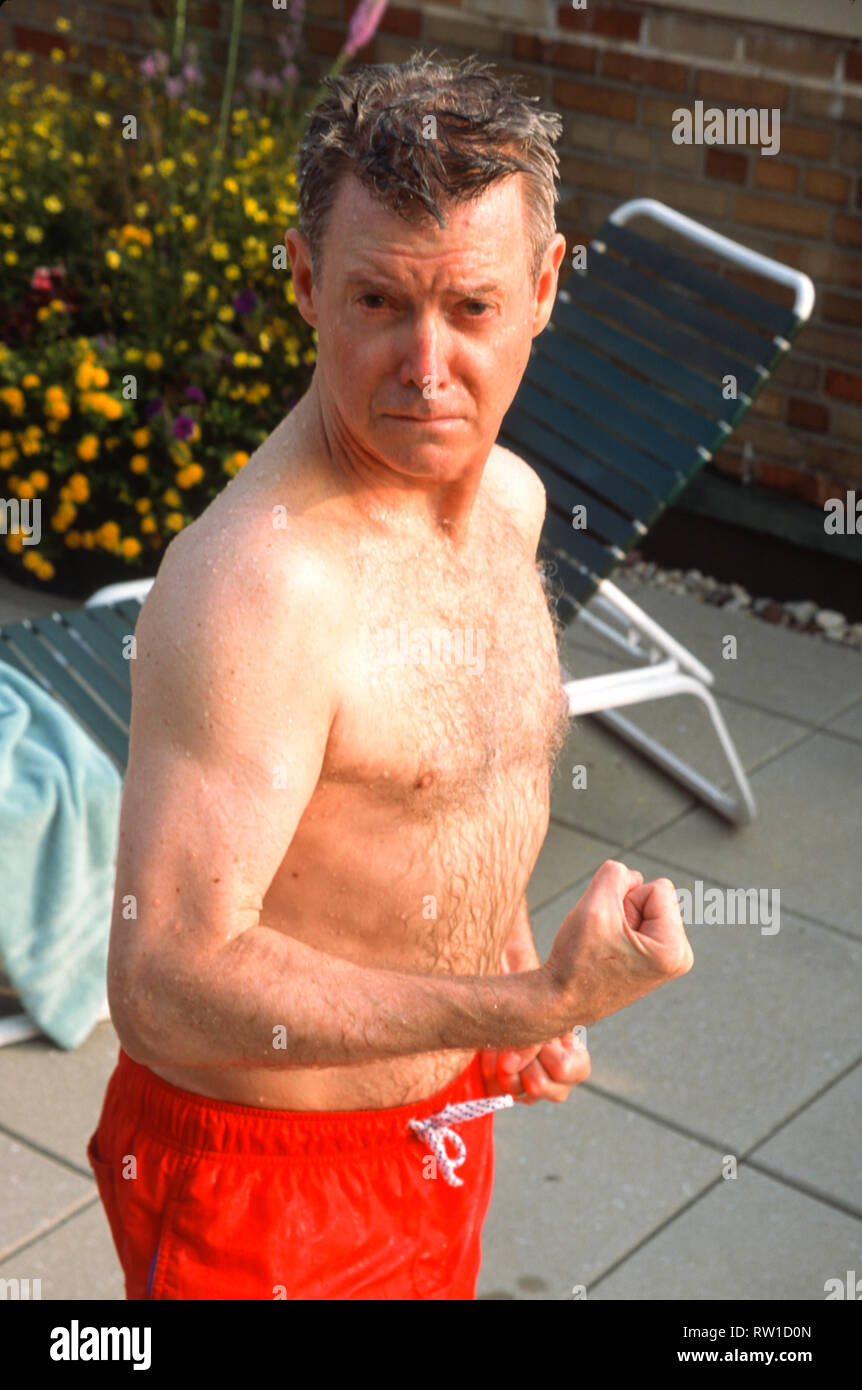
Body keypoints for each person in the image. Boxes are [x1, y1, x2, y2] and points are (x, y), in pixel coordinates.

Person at [88, 52, 693, 1301]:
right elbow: (163, 981)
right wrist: (519, 999)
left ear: (541, 286)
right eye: (377, 303)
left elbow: (453, 794)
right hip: (264, 1189)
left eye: (469, 308)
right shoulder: (260, 585)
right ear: (307, 283)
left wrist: (509, 992)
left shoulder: (510, 503)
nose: (427, 366)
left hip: (439, 1130)